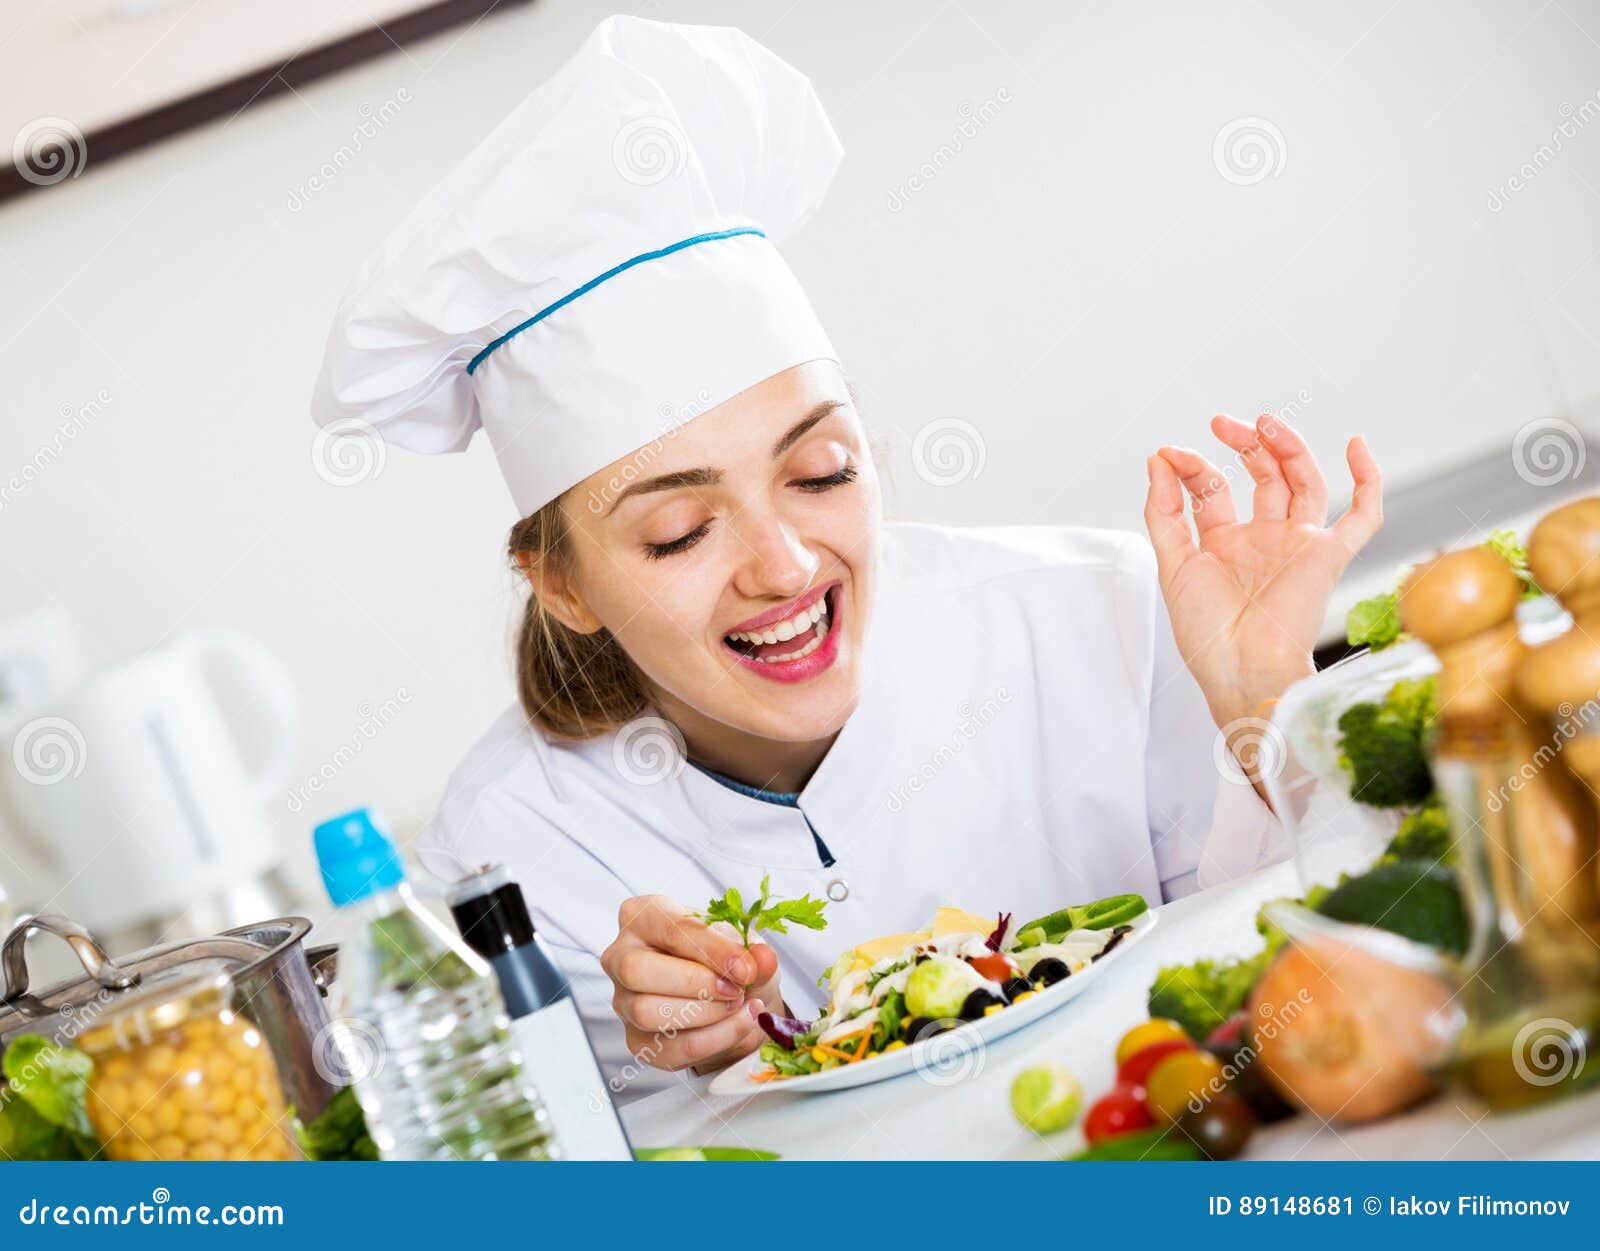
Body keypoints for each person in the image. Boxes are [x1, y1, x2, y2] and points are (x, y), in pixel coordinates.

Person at [312, 15, 1381, 1102]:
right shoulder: (522, 844)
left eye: (820, 472)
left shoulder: (1097, 615)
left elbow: (1357, 972)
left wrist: (1268, 711)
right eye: (679, 532)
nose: (782, 567)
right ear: (565, 584)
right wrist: (676, 1071)